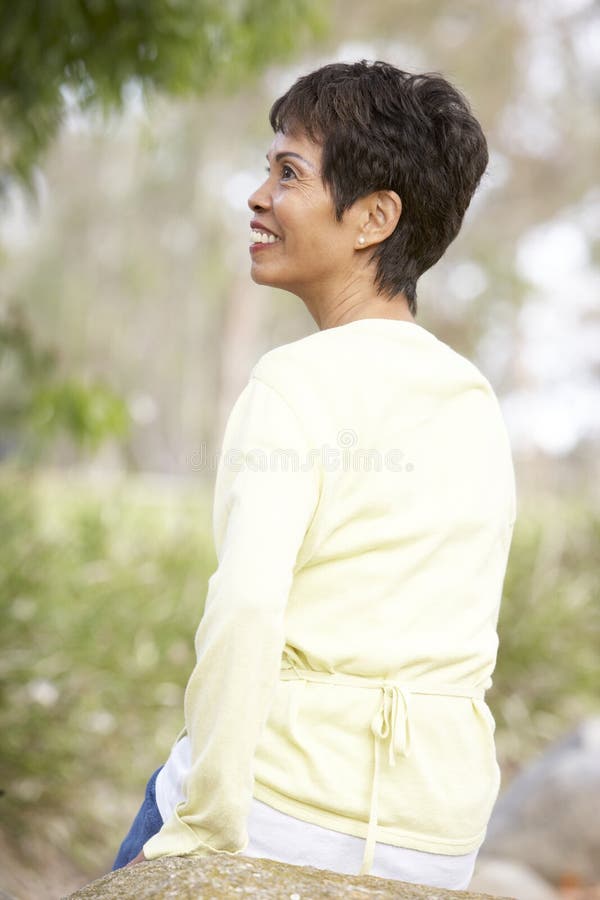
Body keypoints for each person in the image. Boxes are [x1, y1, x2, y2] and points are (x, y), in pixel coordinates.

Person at [112, 60, 516, 890]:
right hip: (437, 839)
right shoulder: (474, 400)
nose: (258, 197)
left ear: (374, 217)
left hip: (279, 809)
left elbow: (247, 610)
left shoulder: (293, 383)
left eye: (288, 173)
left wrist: (205, 825)